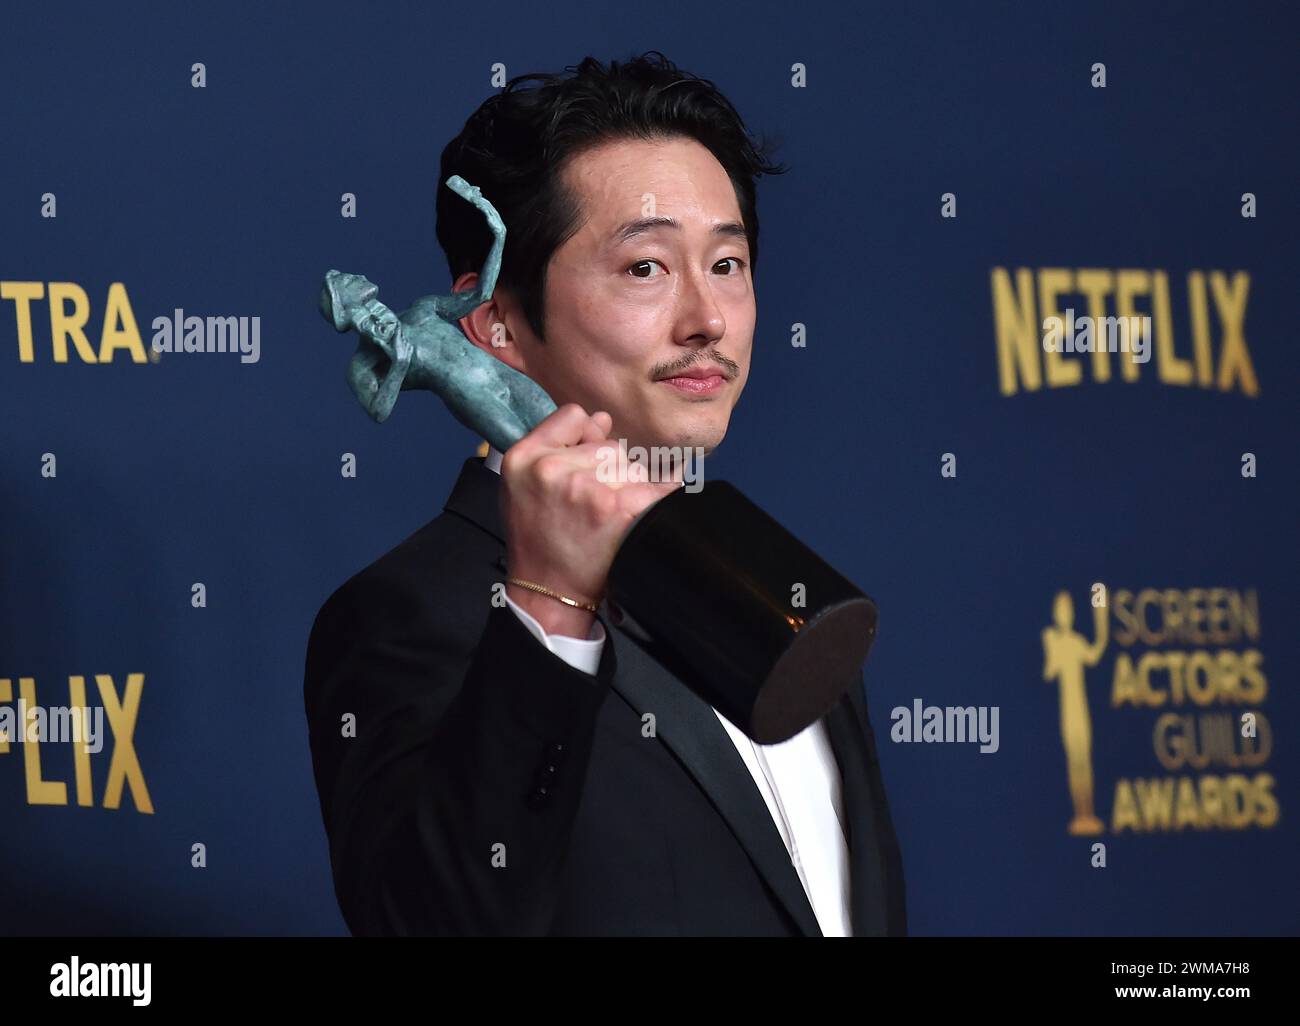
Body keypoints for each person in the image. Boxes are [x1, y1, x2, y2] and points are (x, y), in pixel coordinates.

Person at [303, 51, 906, 936]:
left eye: (728, 264)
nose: (707, 318)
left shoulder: (786, 596)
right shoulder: (407, 616)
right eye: (646, 269)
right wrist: (549, 614)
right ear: (495, 324)